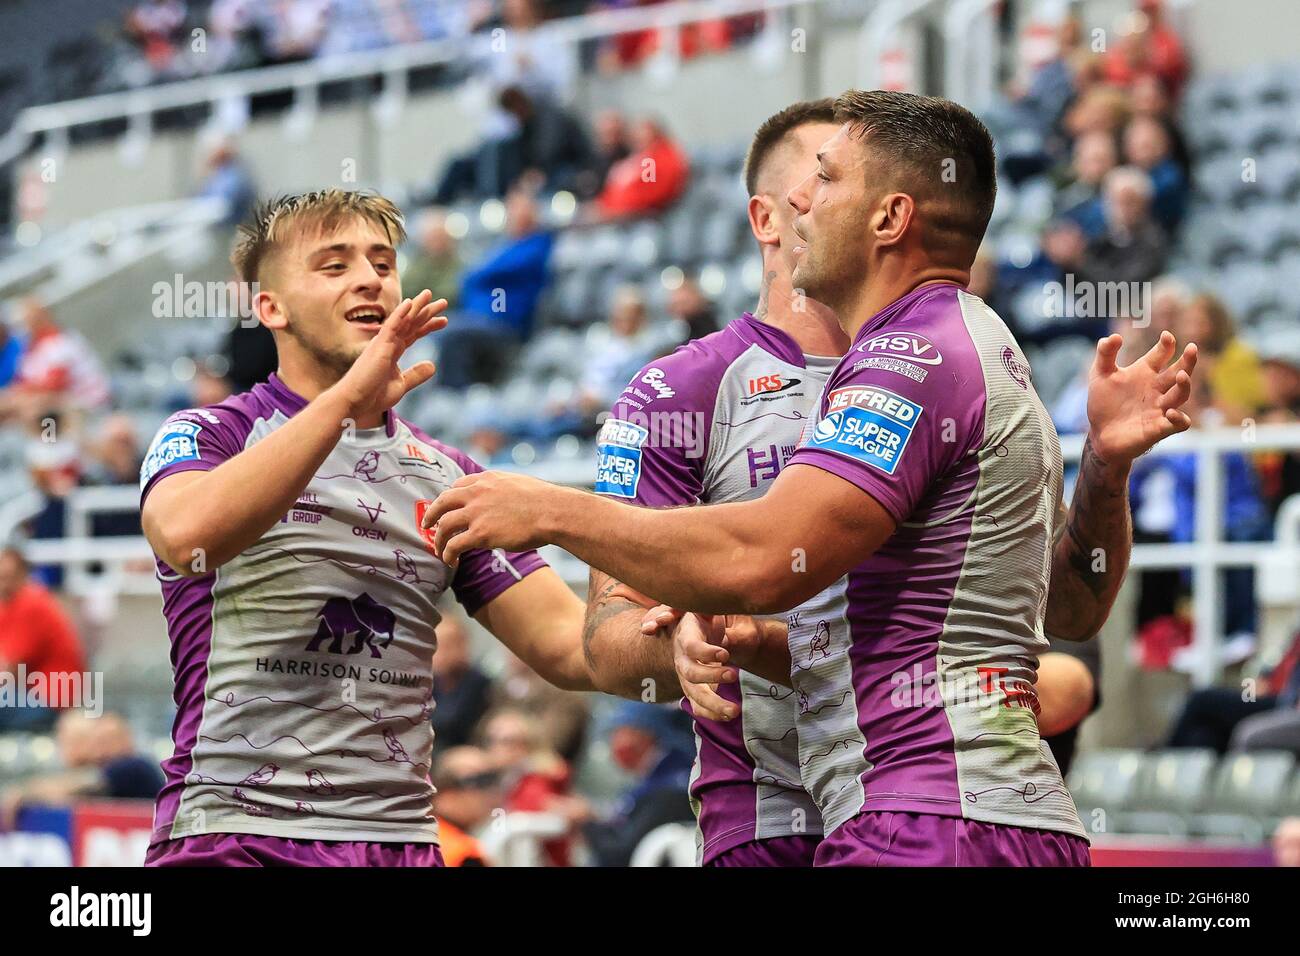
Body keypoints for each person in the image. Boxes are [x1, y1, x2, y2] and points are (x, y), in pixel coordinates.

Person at [423, 91, 1199, 866]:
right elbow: (1037, 606)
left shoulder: (913, 358)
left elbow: (765, 558)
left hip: (923, 812)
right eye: (808, 178)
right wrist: (707, 645)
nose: (807, 199)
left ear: (889, 218)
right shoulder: (947, 348)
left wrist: (552, 511)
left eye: (829, 179)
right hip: (812, 812)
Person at [136, 189, 594, 868]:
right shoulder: (209, 435)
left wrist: (683, 643)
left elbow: (570, 646)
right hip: (237, 837)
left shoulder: (446, 476)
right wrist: (348, 402)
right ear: (271, 308)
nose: (369, 278)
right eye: (334, 265)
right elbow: (187, 535)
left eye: (383, 262)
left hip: (400, 845)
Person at [439, 189, 554, 388]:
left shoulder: (536, 245)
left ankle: (453, 397)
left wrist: (477, 273)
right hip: (477, 318)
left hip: (503, 323)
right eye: (512, 210)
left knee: (453, 333)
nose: (514, 215)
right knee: (437, 326)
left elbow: (483, 273)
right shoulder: (504, 245)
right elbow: (472, 276)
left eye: (520, 211)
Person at [0, 711, 165, 829]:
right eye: (101, 740)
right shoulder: (112, 773)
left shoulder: (134, 766)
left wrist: (26, 792)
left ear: (127, 738)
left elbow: (82, 785)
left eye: (112, 738)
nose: (103, 748)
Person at [579, 702, 694, 867]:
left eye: (619, 732)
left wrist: (586, 822)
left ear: (644, 733)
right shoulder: (655, 778)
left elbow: (621, 854)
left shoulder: (671, 788)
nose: (613, 742)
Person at [0, 547, 87, 733]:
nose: (3, 583)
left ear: (22, 574)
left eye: (8, 576)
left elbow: (7, 670)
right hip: (32, 696)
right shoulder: (10, 604)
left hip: (49, 703)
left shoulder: (31, 604)